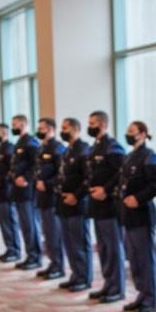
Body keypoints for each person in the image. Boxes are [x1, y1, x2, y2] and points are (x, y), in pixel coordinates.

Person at [117, 121, 156, 312]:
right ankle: (141, 295)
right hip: (128, 215)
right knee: (135, 260)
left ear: (143, 134)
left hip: (143, 214)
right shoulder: (130, 156)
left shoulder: (149, 156)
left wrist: (138, 198)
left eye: (132, 132)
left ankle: (151, 299)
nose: (128, 135)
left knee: (145, 260)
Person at [85, 110, 127, 304]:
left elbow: (121, 173)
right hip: (96, 205)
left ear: (102, 125)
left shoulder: (113, 146)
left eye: (92, 123)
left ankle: (117, 288)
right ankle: (108, 284)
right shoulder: (97, 146)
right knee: (102, 248)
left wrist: (107, 190)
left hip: (109, 205)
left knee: (113, 249)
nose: (90, 126)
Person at [56, 117, 93, 292]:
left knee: (79, 243)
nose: (62, 131)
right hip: (64, 202)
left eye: (66, 128)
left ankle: (84, 277)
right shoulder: (67, 151)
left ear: (76, 129)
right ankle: (75, 274)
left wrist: (76, 196)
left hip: (78, 203)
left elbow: (88, 178)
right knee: (69, 242)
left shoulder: (83, 150)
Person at [8, 114, 43, 270]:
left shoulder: (31, 143)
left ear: (22, 125)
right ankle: (30, 254)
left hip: (27, 190)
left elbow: (37, 165)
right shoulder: (20, 143)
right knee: (24, 225)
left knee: (30, 225)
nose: (12, 127)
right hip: (18, 190)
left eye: (15, 124)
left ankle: (35, 257)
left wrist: (27, 178)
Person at [34, 117, 66, 280]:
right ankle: (52, 263)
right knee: (47, 233)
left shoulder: (57, 148)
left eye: (42, 128)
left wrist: (47, 184)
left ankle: (58, 266)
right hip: (42, 197)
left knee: (54, 233)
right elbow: (38, 169)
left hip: (52, 196)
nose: (39, 131)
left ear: (51, 129)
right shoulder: (42, 148)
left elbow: (61, 174)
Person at [0, 123, 21, 262]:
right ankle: (9, 248)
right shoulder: (0, 148)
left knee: (9, 220)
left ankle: (14, 250)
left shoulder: (9, 148)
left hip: (6, 190)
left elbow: (11, 170)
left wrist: (1, 180)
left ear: (4, 133)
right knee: (4, 222)